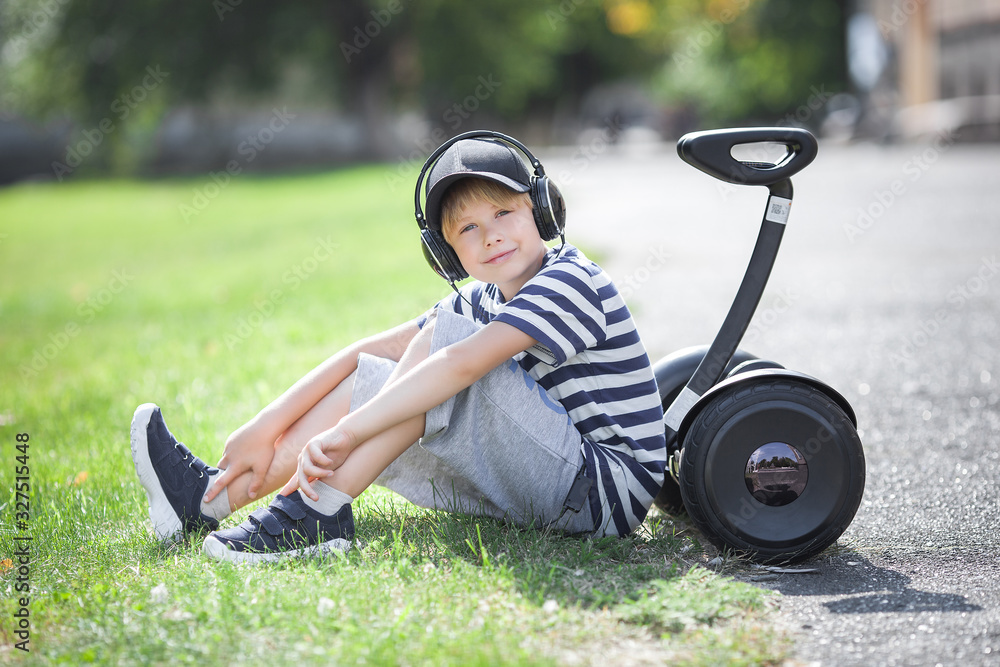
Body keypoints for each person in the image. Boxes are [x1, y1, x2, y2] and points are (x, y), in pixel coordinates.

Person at [130, 131, 667, 564]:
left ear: (542, 212)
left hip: (602, 494)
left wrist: (346, 434)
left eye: (505, 214)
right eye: (469, 229)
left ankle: (318, 511)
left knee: (441, 352)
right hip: (552, 477)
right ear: (447, 254)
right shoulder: (479, 298)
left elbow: (460, 362)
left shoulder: (570, 278)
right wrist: (265, 425)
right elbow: (373, 352)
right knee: (381, 376)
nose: (492, 236)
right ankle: (208, 499)